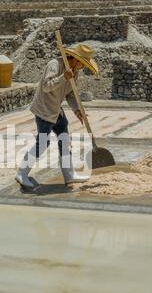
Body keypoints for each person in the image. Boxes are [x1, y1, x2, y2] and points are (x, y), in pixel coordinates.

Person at [15, 43, 99, 189]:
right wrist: (63, 77)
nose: (83, 67)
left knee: (64, 141)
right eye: (83, 63)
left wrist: (76, 110)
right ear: (75, 59)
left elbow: (70, 93)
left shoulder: (74, 72)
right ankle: (22, 173)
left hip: (56, 111)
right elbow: (46, 86)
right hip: (44, 110)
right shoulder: (55, 64)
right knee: (42, 143)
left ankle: (69, 175)